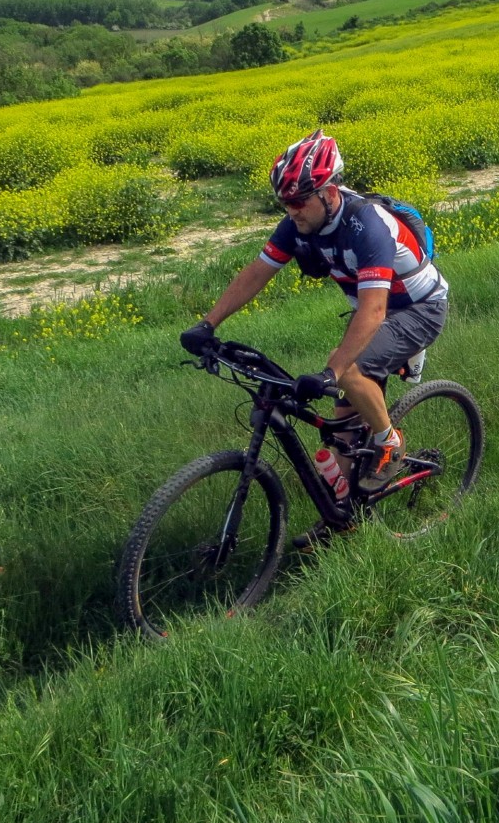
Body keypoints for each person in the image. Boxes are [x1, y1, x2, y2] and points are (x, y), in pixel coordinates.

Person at [179, 130, 448, 540]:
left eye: (299, 200)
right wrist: (208, 324)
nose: (292, 210)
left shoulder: (366, 225)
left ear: (328, 192)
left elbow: (376, 310)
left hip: (417, 309)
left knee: (349, 370)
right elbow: (256, 273)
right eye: (284, 202)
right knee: (341, 431)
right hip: (372, 312)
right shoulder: (298, 223)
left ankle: (390, 443)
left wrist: (332, 370)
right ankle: (342, 520)